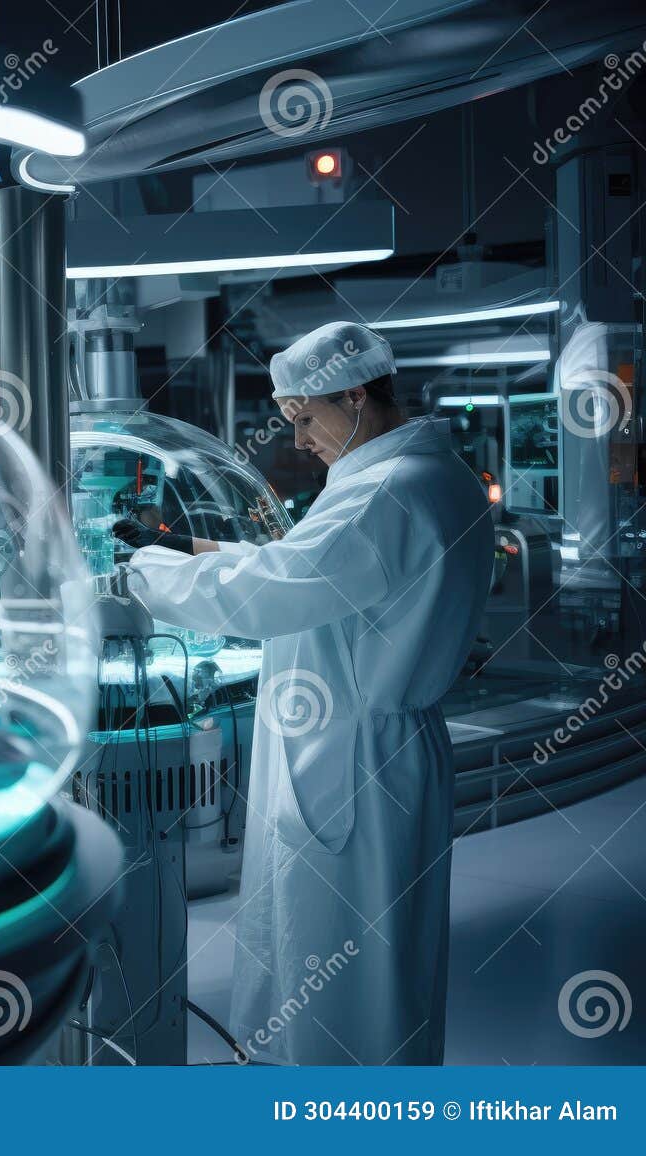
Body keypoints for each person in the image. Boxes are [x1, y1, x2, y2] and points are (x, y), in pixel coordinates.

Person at [112, 322, 493, 1064]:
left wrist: (137, 579)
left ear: (354, 394)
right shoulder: (426, 476)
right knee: (375, 968)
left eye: (303, 418)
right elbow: (307, 562)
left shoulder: (392, 492)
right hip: (371, 751)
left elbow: (278, 588)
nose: (299, 440)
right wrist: (183, 546)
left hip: (350, 765)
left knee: (339, 975)